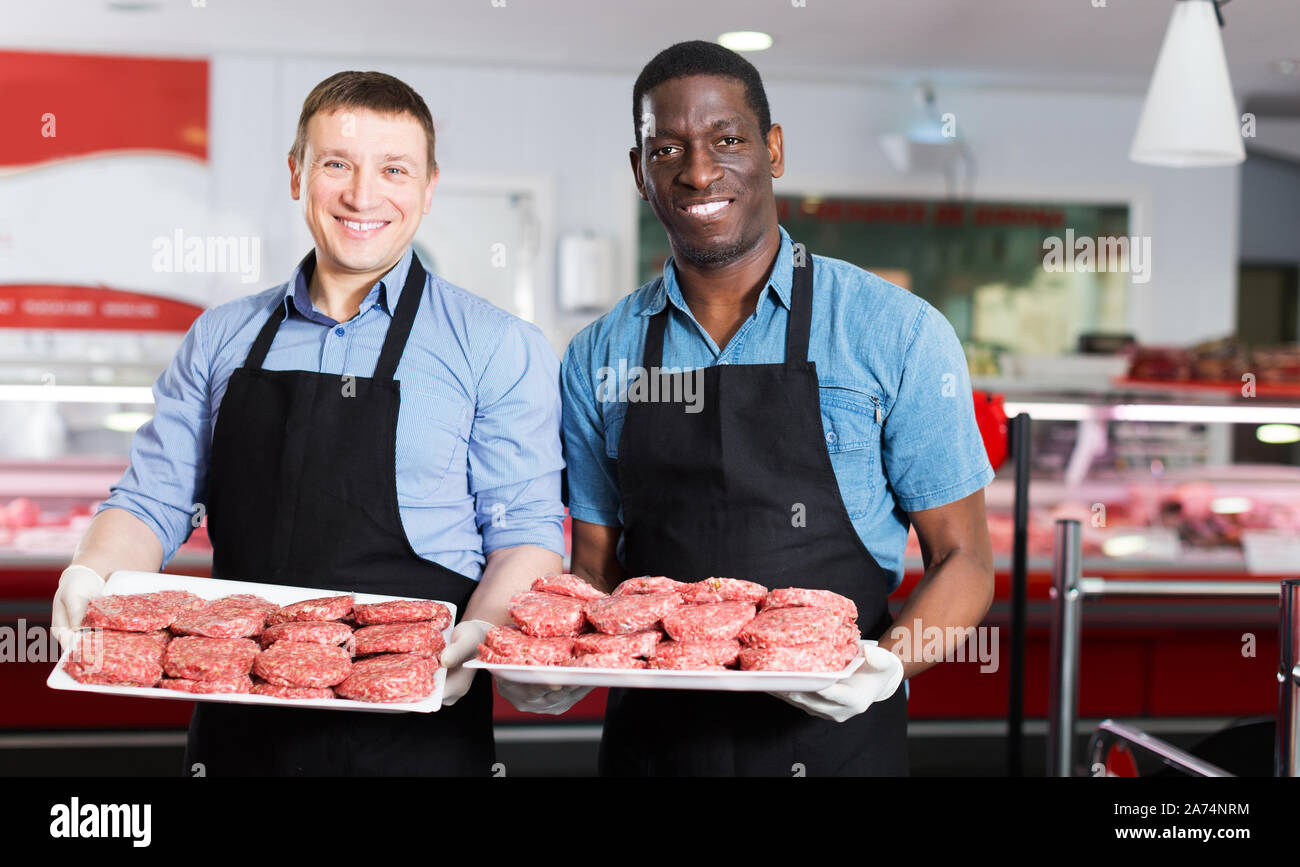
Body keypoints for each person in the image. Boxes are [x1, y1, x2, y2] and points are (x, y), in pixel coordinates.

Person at [49, 70, 566, 776]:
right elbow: (150, 502)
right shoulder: (220, 337)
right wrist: (91, 571)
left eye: (394, 169)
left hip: (417, 737)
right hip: (239, 729)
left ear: (428, 187)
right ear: (297, 175)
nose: (363, 194)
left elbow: (526, 537)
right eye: (336, 164)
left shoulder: (497, 344)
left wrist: (480, 630)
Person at [556, 41, 996, 776]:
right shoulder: (598, 354)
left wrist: (886, 667)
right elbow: (596, 565)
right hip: (656, 747)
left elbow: (966, 559)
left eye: (727, 140)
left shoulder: (896, 331)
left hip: (834, 742)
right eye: (667, 149)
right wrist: (558, 652)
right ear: (641, 171)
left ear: (774, 149)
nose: (699, 171)